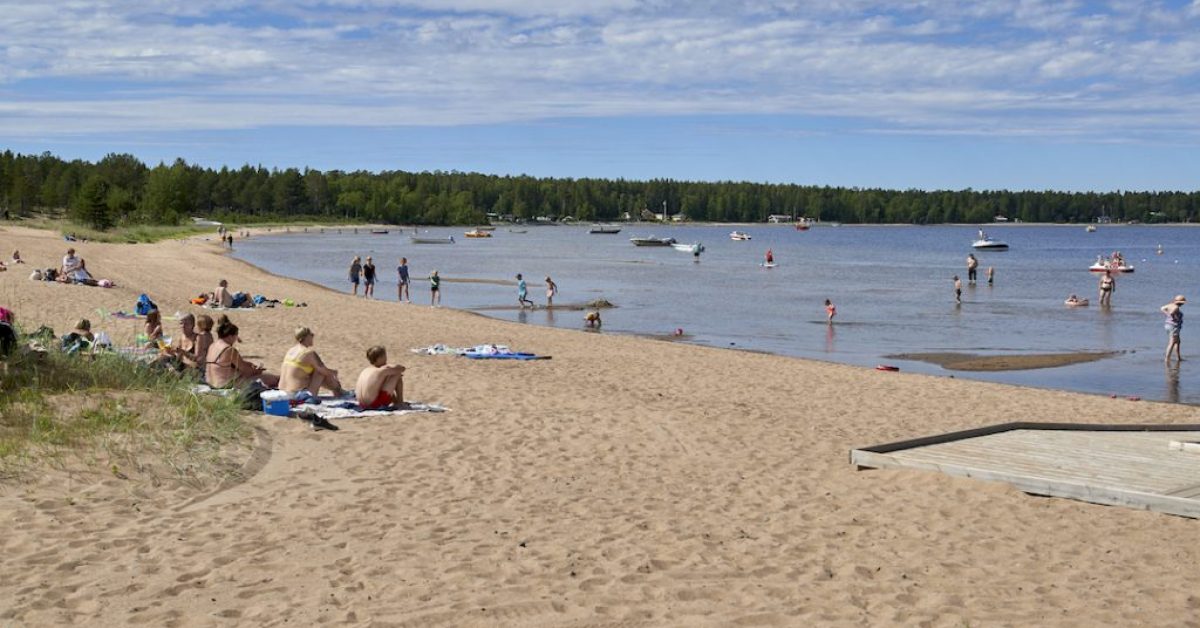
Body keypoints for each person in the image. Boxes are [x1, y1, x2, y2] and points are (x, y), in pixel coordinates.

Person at [205, 319, 279, 388]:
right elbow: (246, 371)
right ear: (231, 336)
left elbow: (226, 363)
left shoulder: (212, 346)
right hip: (225, 385)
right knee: (271, 378)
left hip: (211, 383)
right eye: (236, 336)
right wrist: (257, 371)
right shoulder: (228, 349)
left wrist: (248, 364)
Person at [280, 327, 345, 396]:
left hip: (282, 392)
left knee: (311, 371)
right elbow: (323, 371)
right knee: (320, 373)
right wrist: (334, 373)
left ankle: (338, 390)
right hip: (296, 395)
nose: (313, 337)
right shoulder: (308, 353)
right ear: (306, 337)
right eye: (311, 335)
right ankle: (338, 391)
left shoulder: (290, 351)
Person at [354, 345, 407, 410]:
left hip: (362, 404)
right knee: (397, 375)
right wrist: (389, 365)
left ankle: (396, 402)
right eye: (384, 356)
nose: (386, 359)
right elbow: (401, 369)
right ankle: (400, 403)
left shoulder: (365, 370)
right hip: (374, 404)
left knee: (384, 378)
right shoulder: (381, 371)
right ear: (380, 358)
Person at [1162, 295, 1186, 363]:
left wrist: (1167, 314)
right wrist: (1174, 317)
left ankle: (1178, 358)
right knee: (1172, 342)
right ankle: (1167, 359)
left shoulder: (1170, 305)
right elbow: (1171, 313)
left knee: (1177, 341)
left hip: (1169, 325)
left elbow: (1162, 308)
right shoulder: (1176, 307)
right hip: (1173, 326)